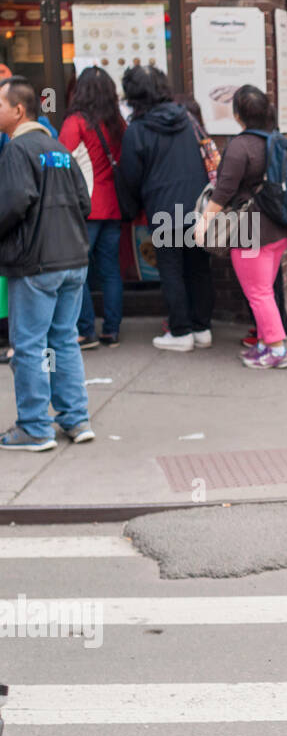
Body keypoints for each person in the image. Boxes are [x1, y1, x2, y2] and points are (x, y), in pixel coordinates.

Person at [0, 75, 93, 450]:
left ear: (18, 110)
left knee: (30, 346)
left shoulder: (17, 151)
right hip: (72, 260)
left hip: (36, 264)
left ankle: (35, 427)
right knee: (63, 342)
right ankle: (75, 418)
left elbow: (12, 204)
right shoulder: (58, 149)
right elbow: (84, 203)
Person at [116, 67, 214, 351]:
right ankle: (201, 328)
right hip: (197, 206)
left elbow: (130, 176)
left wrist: (130, 208)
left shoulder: (137, 130)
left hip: (163, 210)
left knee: (171, 270)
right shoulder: (186, 117)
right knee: (198, 268)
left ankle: (180, 331)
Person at [197, 85, 287, 370]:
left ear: (238, 115)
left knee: (259, 292)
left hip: (252, 230)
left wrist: (203, 223)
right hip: (279, 227)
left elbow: (224, 190)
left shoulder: (240, 146)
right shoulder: (279, 141)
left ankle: (276, 350)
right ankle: (265, 344)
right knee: (264, 289)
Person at [59, 66, 125, 349]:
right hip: (113, 205)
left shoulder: (75, 122)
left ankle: (86, 331)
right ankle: (111, 330)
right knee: (110, 269)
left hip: (85, 206)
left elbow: (62, 160)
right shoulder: (118, 123)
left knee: (78, 271)